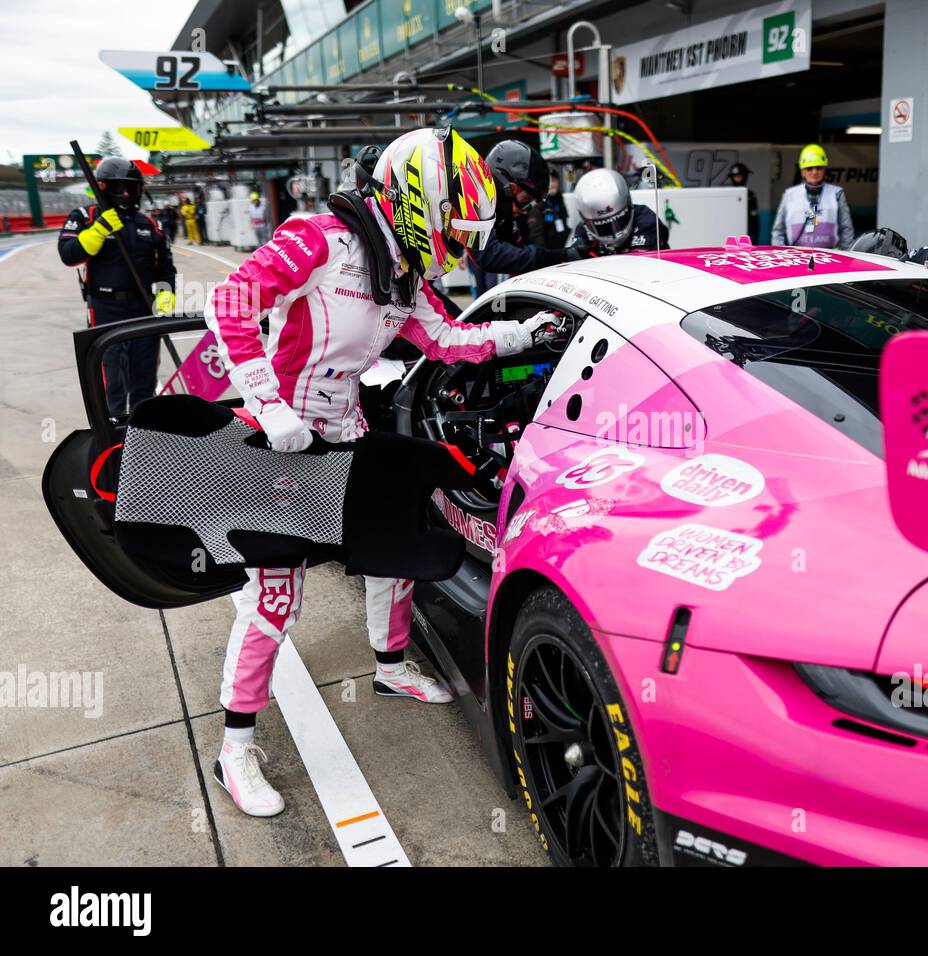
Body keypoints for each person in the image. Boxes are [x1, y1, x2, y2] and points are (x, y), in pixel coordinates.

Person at [203, 127, 562, 817]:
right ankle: (235, 748)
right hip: (280, 445)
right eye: (451, 226)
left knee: (392, 552)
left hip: (346, 431)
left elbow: (449, 338)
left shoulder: (402, 270)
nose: (457, 244)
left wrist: (524, 334)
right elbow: (232, 303)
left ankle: (392, 670)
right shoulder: (319, 237)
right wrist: (269, 405)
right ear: (415, 201)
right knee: (276, 602)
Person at [57, 157, 175, 420]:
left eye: (130, 188)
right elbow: (68, 254)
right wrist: (98, 231)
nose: (124, 194)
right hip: (106, 308)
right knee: (114, 377)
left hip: (144, 306)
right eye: (119, 187)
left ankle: (146, 427)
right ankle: (113, 429)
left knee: (145, 375)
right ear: (102, 186)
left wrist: (166, 294)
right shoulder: (85, 216)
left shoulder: (150, 224)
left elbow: (166, 267)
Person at [472, 140, 579, 280]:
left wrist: (568, 255)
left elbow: (519, 254)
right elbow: (489, 255)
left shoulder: (504, 217)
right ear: (511, 189)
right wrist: (562, 255)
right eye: (525, 201)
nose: (525, 211)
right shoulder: (473, 197)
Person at [567, 168, 669, 256]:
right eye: (603, 228)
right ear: (587, 222)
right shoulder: (583, 231)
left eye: (618, 222)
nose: (614, 235)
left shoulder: (646, 221)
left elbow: (641, 265)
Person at [771, 144, 854, 249]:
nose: (814, 172)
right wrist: (781, 254)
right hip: (797, 257)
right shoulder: (789, 195)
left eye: (818, 167)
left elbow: (846, 229)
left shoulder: (837, 194)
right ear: (802, 171)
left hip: (830, 257)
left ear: (824, 169)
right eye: (809, 168)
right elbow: (778, 230)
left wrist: (845, 256)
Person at [728, 161, 760, 244]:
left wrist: (753, 240)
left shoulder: (750, 196)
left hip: (746, 237)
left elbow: (754, 221)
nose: (738, 179)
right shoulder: (727, 195)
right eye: (736, 177)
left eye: (740, 176)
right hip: (731, 236)